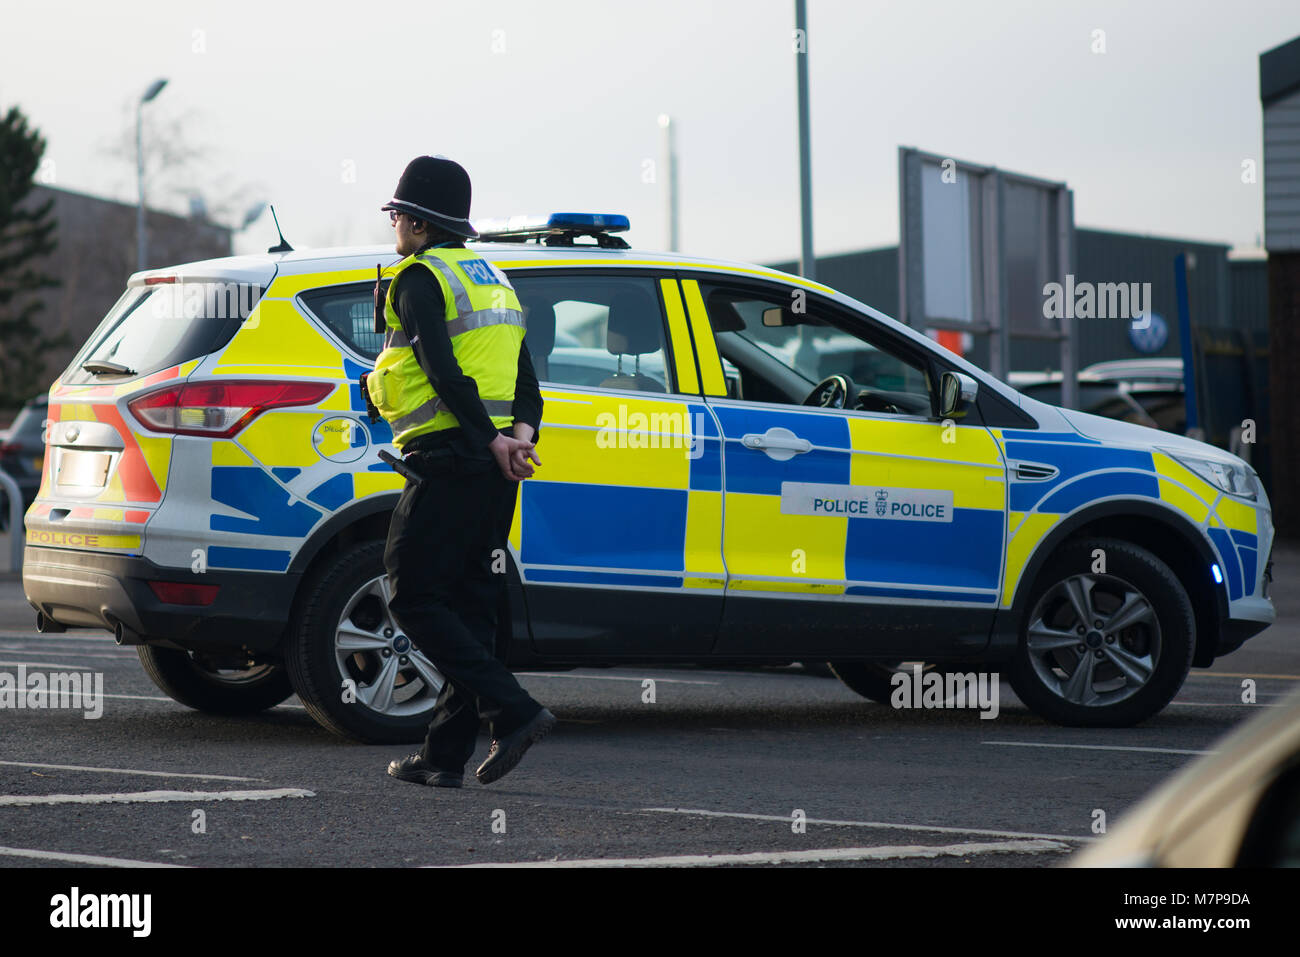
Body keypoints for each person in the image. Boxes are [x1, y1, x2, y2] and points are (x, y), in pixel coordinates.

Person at [369, 155, 555, 788]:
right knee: (472, 607)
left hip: (451, 459)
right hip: (496, 464)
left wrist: (488, 439)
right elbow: (527, 375)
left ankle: (516, 710)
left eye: (397, 215)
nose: (393, 226)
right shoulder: (493, 280)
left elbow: (446, 372)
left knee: (414, 595)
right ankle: (444, 756)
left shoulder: (419, 278)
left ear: (418, 225)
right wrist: (518, 436)